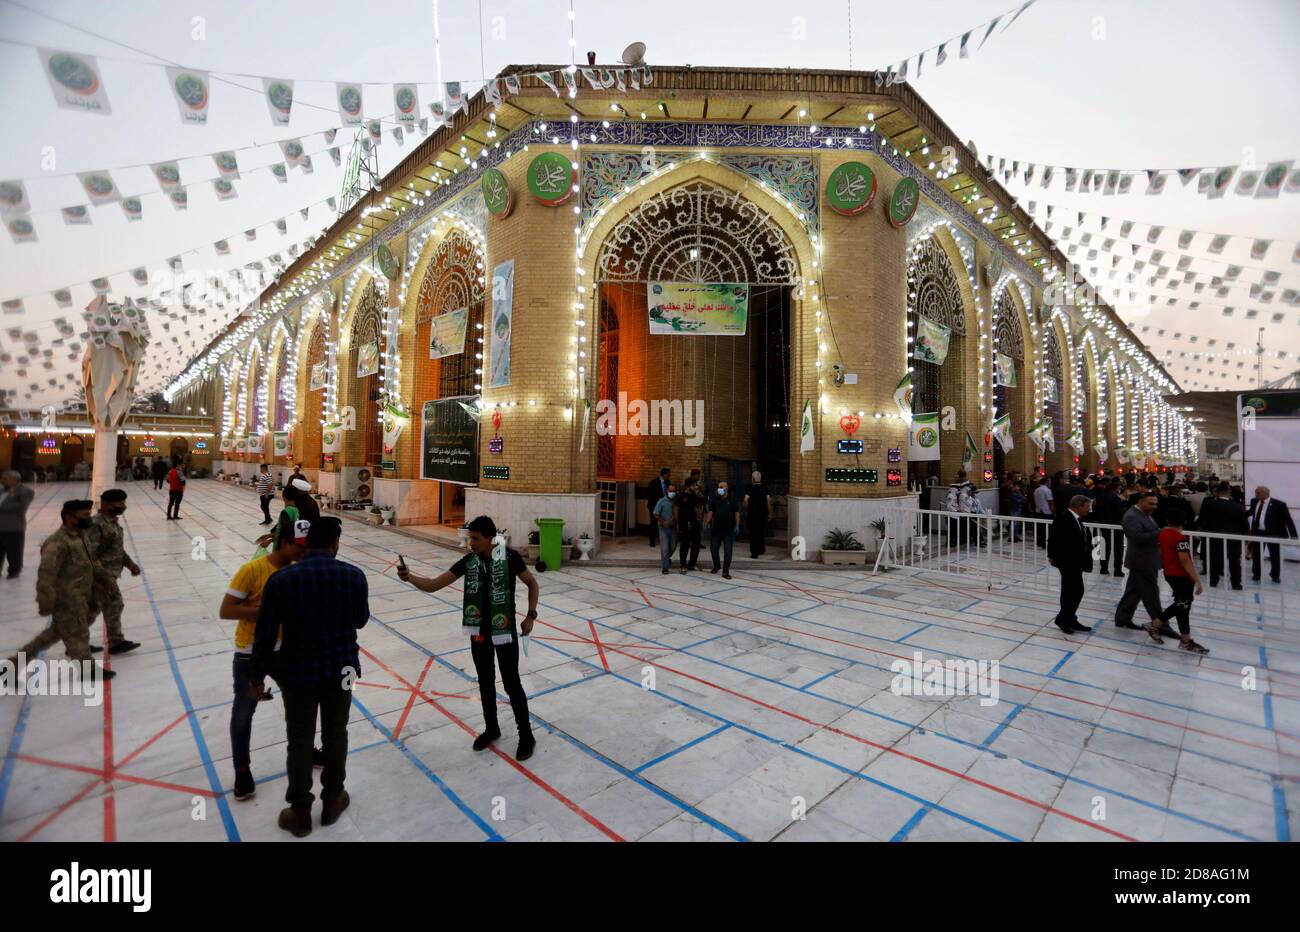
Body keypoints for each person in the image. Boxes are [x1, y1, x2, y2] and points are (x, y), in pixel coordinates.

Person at [251, 517, 368, 837]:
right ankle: (333, 800)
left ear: (307, 543)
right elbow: (360, 620)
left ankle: (300, 811)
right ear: (335, 543)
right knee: (337, 733)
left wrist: (256, 676)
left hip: (298, 671)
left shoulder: (282, 580)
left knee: (300, 739)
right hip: (342, 669)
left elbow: (264, 634)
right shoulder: (353, 575)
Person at [397, 515, 539, 761]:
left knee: (511, 683)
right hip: (479, 633)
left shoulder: (510, 558)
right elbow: (433, 585)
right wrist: (410, 578)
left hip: (504, 631)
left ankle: (526, 735)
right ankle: (491, 728)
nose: (470, 543)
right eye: (469, 538)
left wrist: (530, 616)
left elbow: (532, 584)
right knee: (485, 680)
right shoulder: (468, 561)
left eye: (475, 538)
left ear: (490, 538)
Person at [220, 519, 307, 801]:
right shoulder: (252, 570)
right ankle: (242, 769)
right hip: (250, 652)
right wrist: (265, 612)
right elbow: (227, 610)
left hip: (288, 652)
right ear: (284, 543)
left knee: (300, 707)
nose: (304, 553)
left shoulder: (296, 571)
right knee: (244, 711)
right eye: (300, 547)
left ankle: (308, 751)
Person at [7, 500, 113, 680]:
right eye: (85, 515)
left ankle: (9, 669)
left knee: (50, 636)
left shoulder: (80, 536)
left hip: (80, 595)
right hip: (66, 600)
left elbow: (91, 561)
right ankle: (88, 669)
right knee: (78, 633)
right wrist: (46, 603)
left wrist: (104, 579)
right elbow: (46, 576)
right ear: (70, 518)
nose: (89, 519)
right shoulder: (57, 543)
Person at [85, 490, 142, 656]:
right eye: (121, 504)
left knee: (92, 609)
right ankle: (116, 642)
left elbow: (116, 549)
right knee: (114, 604)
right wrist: (103, 578)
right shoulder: (97, 525)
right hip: (101, 575)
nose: (124, 507)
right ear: (107, 504)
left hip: (108, 574)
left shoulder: (111, 523)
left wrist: (130, 564)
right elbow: (90, 554)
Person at [1147, 511, 1209, 654]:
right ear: (1184, 522)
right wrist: (1197, 580)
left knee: (1182, 606)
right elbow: (1185, 560)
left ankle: (1185, 639)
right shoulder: (1181, 539)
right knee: (1182, 605)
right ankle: (1156, 625)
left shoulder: (1162, 533)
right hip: (1181, 576)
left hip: (1169, 573)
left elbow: (1160, 552)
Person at [1113, 491, 1164, 632]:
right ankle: (1160, 624)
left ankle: (1122, 618)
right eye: (1151, 503)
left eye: (1156, 504)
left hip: (1145, 560)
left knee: (1133, 592)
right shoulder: (1132, 516)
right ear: (1140, 501)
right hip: (1142, 561)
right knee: (1152, 594)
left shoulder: (1145, 515)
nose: (1154, 506)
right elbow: (1137, 537)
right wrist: (1160, 532)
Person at [1048, 494, 1094, 635]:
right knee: (1071, 591)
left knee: (1076, 590)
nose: (1089, 510)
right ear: (1078, 506)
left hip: (1076, 562)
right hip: (1067, 562)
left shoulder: (1077, 519)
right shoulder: (1063, 519)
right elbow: (1054, 539)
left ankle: (1070, 618)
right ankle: (1063, 619)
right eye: (1087, 507)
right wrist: (1053, 556)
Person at [1198, 482, 1247, 589]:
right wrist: (1245, 536)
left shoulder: (1208, 504)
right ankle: (1236, 583)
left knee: (1214, 559)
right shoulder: (1237, 506)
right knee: (1234, 561)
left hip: (1213, 537)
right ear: (1229, 492)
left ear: (1217, 492)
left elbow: (1201, 520)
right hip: (1233, 538)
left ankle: (1213, 581)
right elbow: (1243, 523)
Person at [1247, 485, 1296, 584]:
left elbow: (1288, 520)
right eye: (1256, 493)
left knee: (1275, 556)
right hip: (1258, 533)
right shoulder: (1254, 501)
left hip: (1274, 533)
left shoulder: (1279, 504)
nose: (1256, 495)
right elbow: (1251, 512)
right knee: (1256, 555)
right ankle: (1256, 574)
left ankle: (1275, 575)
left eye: (1258, 493)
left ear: (1266, 494)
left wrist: (1294, 535)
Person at [0, 470, 35, 579]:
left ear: (14, 479)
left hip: (14, 527)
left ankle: (14, 571)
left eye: (5, 478)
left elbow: (20, 508)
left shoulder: (26, 491)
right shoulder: (1, 490)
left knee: (14, 551)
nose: (2, 480)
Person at [1091, 478, 1128, 577]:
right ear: (1115, 488)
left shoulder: (1100, 497)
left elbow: (1095, 509)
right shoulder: (1116, 498)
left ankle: (1103, 568)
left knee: (1104, 547)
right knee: (1118, 549)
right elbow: (1120, 512)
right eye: (1119, 488)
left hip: (1103, 525)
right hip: (1116, 525)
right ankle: (1117, 570)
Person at [706, 480, 741, 579]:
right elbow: (711, 511)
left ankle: (725, 572)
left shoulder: (732, 500)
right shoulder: (714, 499)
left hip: (728, 530)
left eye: (721, 487)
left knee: (728, 551)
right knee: (713, 549)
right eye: (719, 487)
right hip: (717, 529)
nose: (719, 489)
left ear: (726, 488)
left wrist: (737, 525)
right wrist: (707, 522)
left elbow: (737, 513)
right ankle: (716, 566)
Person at [743, 471, 772, 559]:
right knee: (761, 531)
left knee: (753, 533)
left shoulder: (750, 488)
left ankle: (754, 553)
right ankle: (761, 548)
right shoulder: (765, 487)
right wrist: (769, 513)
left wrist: (746, 509)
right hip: (762, 514)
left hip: (752, 514)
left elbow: (745, 500)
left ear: (753, 479)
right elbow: (768, 501)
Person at [677, 477, 703, 572]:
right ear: (688, 486)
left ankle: (692, 564)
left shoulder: (694, 495)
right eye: (693, 485)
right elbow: (676, 509)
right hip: (684, 523)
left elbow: (699, 506)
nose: (695, 487)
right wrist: (678, 523)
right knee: (685, 544)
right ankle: (683, 565)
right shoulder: (681, 496)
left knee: (696, 543)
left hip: (694, 522)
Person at [653, 483, 677, 574]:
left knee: (673, 546)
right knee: (665, 548)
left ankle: (666, 558)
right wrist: (663, 521)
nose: (672, 493)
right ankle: (665, 567)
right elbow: (655, 513)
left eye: (673, 491)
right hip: (663, 528)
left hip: (673, 528)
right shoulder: (662, 501)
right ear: (667, 491)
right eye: (670, 491)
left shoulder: (676, 502)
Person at [646, 468, 669, 548]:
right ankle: (652, 541)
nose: (668, 476)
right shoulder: (654, 482)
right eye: (668, 474)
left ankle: (663, 539)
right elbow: (649, 493)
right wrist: (657, 498)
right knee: (653, 523)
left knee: (663, 522)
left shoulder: (668, 482)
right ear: (664, 474)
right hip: (654, 505)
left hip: (664, 506)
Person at [1032, 475, 1055, 547]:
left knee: (1040, 528)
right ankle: (1046, 543)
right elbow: (1050, 502)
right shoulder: (1047, 490)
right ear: (1047, 482)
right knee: (1047, 529)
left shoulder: (1036, 490)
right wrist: (1054, 512)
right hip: (1047, 512)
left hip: (1038, 511)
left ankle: (1039, 542)